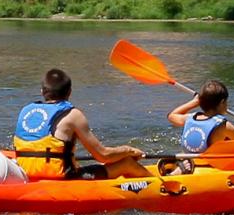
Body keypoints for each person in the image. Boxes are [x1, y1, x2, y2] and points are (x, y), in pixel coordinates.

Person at [11, 69, 149, 180]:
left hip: (27, 175)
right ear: (70, 92)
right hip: (65, 178)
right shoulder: (73, 115)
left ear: (42, 91)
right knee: (127, 163)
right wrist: (129, 151)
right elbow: (103, 155)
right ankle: (163, 188)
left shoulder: (26, 110)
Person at [168, 80, 234, 159]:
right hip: (209, 167)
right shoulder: (223, 126)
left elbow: (171, 116)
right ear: (222, 102)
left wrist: (194, 102)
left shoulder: (189, 118)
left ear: (201, 101)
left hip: (190, 162)